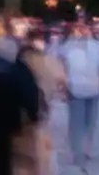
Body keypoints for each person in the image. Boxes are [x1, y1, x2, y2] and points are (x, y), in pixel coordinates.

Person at [0, 14, 40, 173]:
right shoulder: (12, 57)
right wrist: (33, 113)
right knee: (1, 161)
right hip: (4, 120)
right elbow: (28, 89)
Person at [59, 20, 99, 171]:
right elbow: (61, 67)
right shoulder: (66, 48)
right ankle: (77, 152)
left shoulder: (98, 47)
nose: (82, 31)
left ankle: (86, 150)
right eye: (78, 28)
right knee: (76, 123)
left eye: (84, 28)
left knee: (90, 122)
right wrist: (64, 87)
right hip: (75, 89)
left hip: (93, 88)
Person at [14, 27, 57, 175]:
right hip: (33, 111)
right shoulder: (37, 59)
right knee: (35, 152)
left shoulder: (18, 58)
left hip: (25, 111)